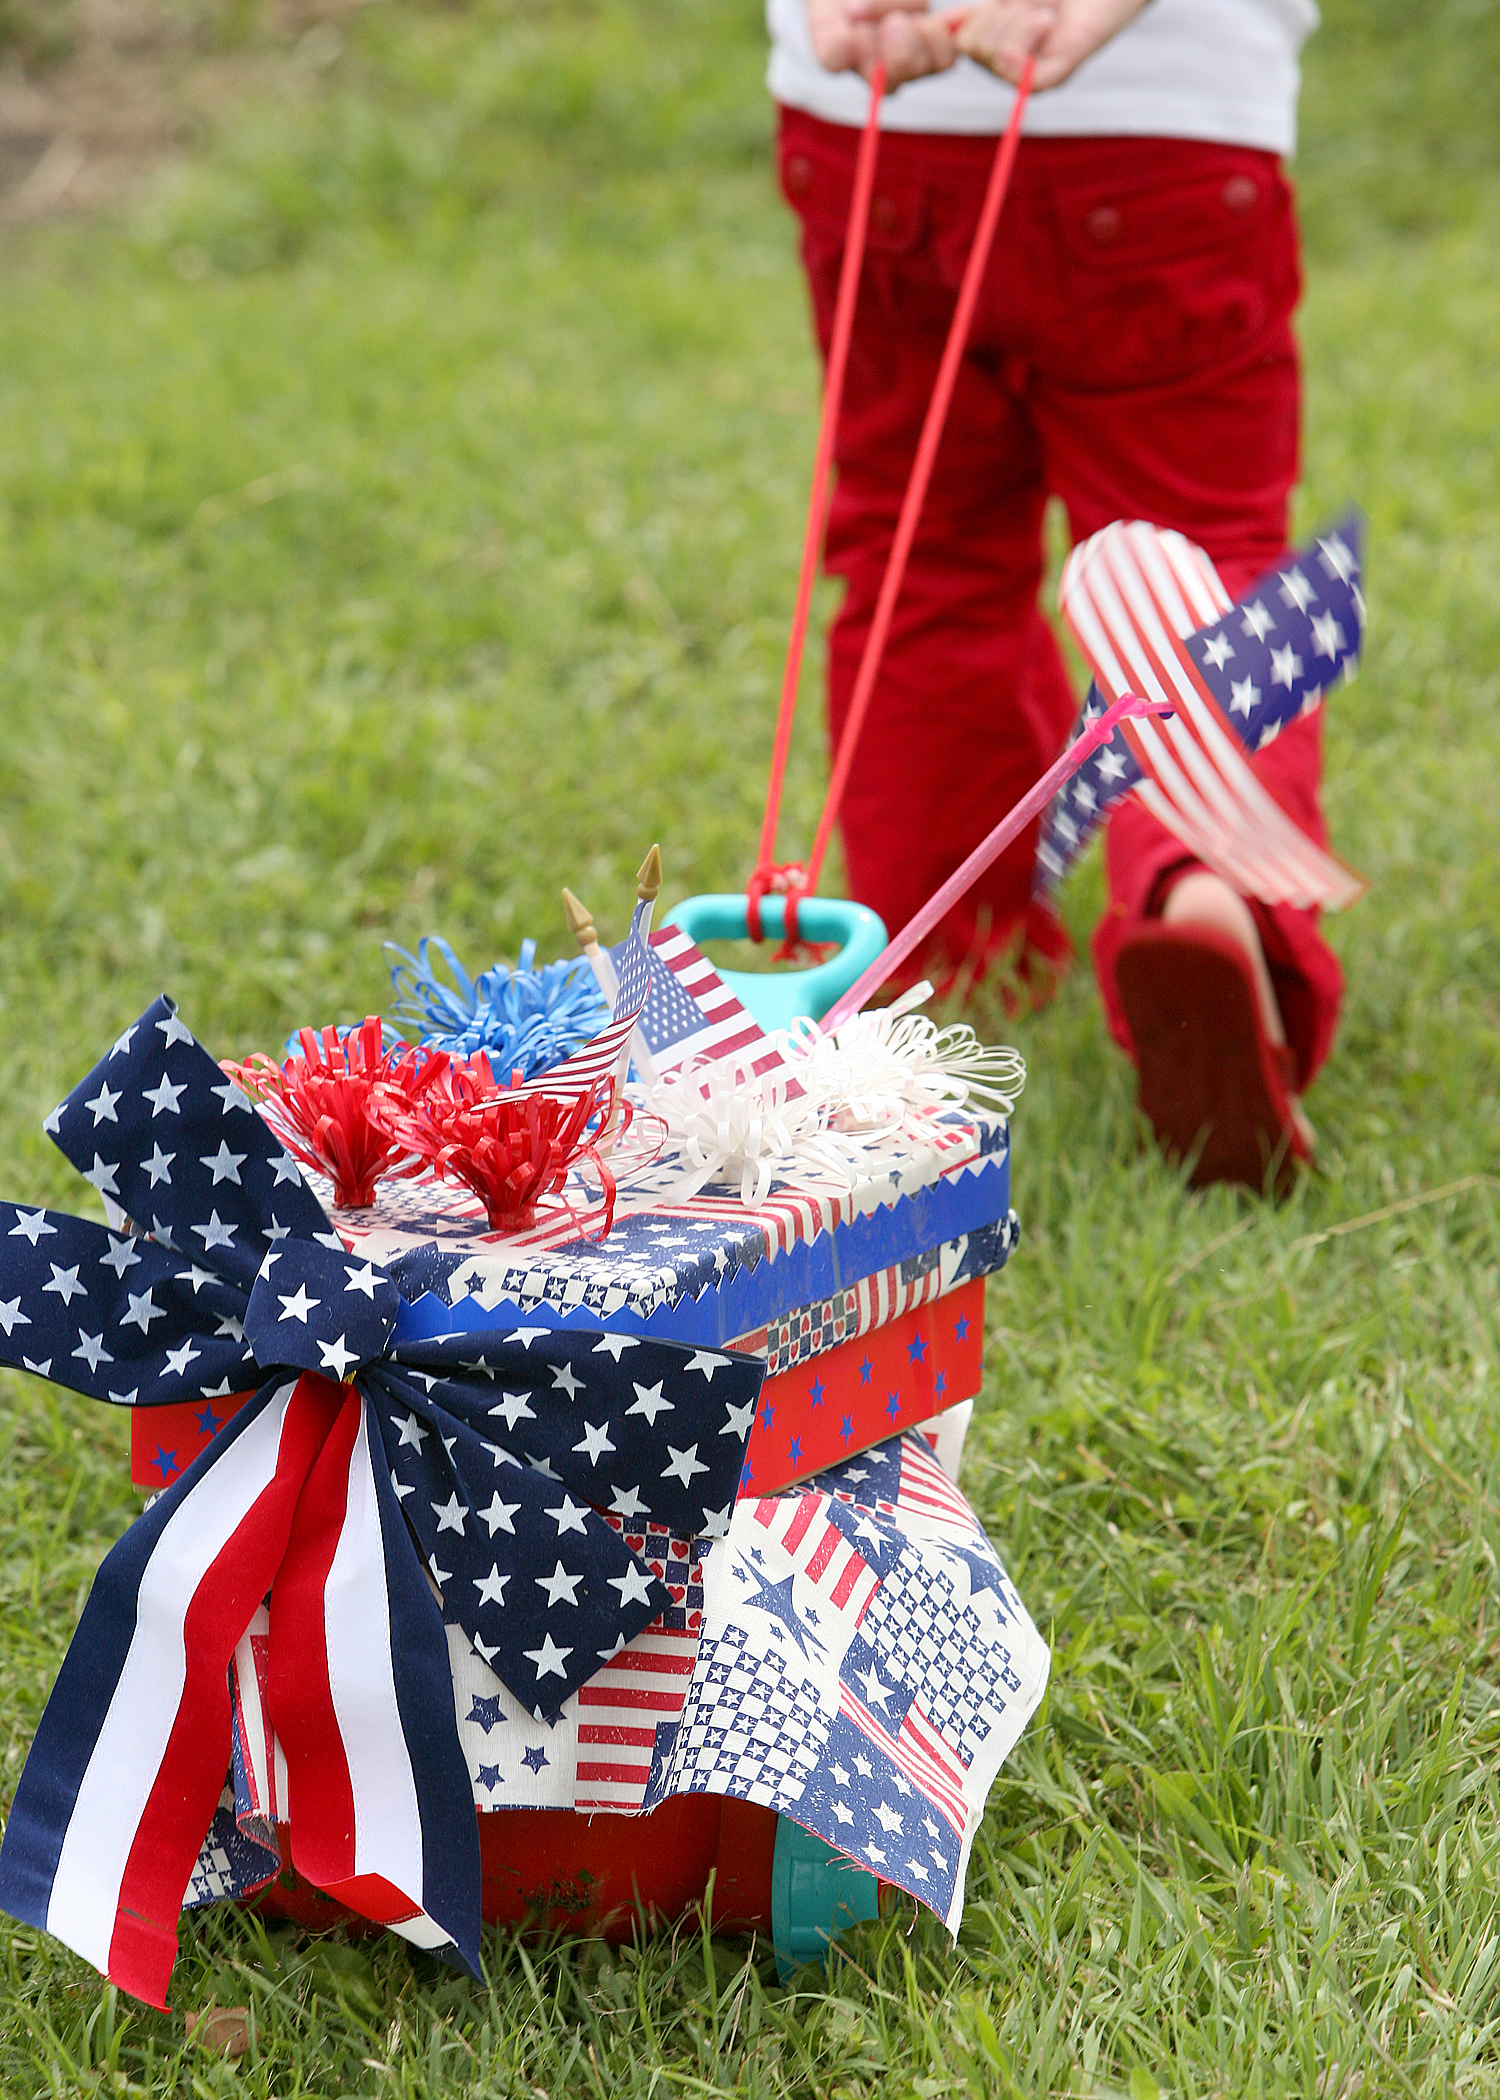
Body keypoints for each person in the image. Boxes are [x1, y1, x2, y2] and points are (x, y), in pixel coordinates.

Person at [768, 0, 1344, 1190]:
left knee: (920, 552)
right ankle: (1204, 881)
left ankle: (949, 960)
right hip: (1165, 122)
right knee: (1200, 546)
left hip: (878, 114)